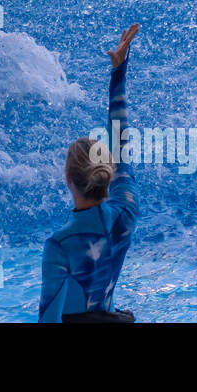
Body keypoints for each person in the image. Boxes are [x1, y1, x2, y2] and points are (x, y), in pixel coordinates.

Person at [38, 23, 141, 323]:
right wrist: (119, 74)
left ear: (68, 180)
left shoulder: (60, 245)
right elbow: (121, 142)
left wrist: (118, 71)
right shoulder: (126, 213)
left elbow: (48, 320)